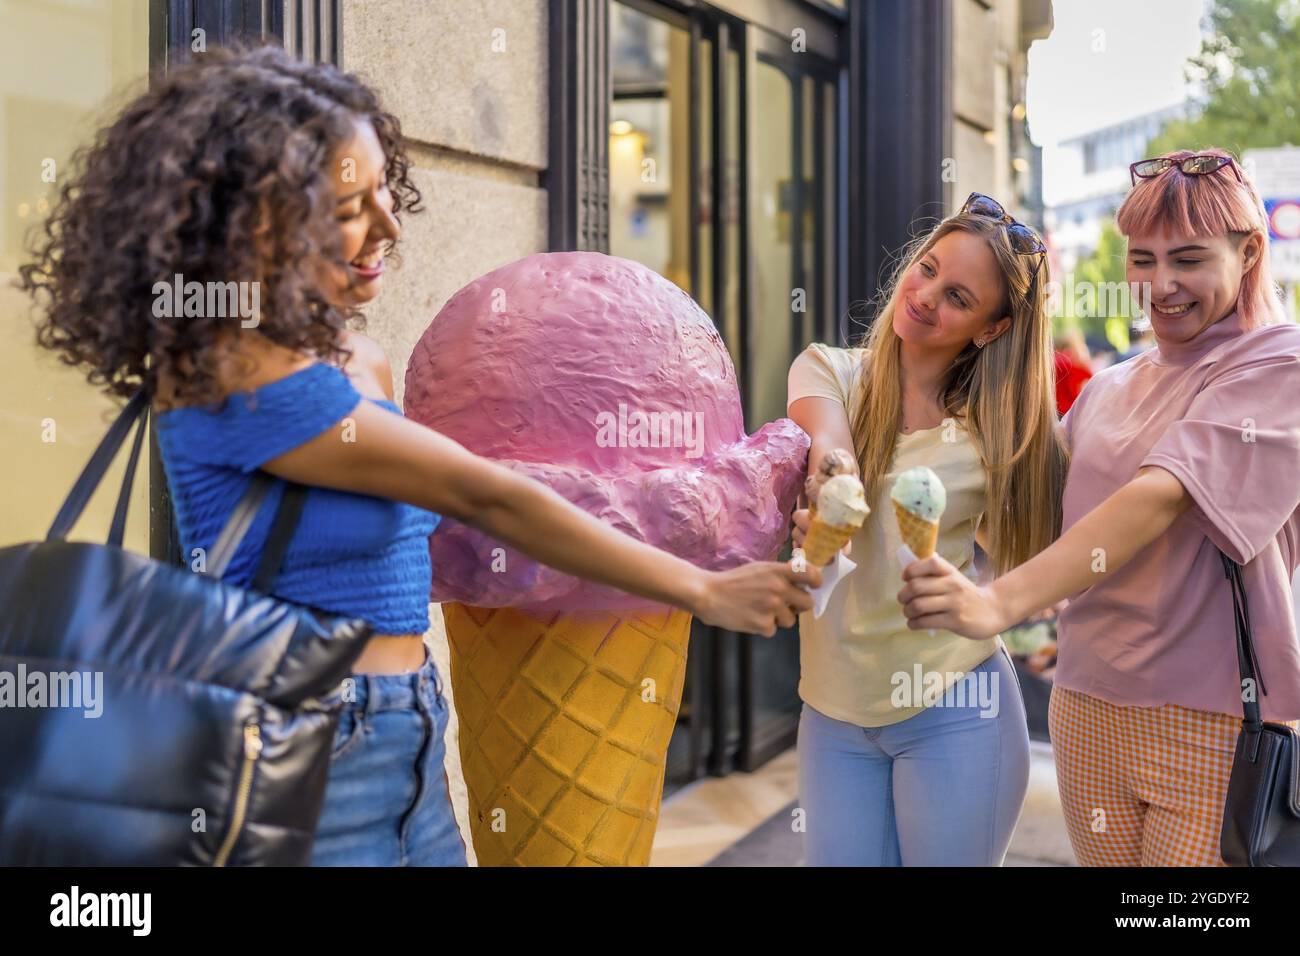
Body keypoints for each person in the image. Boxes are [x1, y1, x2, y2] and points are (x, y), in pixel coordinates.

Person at [19, 45, 820, 867]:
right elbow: (488, 498)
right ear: (258, 220)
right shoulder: (235, 373)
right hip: (310, 740)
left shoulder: (358, 360)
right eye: (349, 204)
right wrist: (703, 586)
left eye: (383, 192)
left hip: (409, 726)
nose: (389, 226)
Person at [899, 148, 1300, 866]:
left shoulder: (1277, 364)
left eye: (1187, 258)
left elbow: (1159, 497)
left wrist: (998, 605)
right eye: (1142, 260)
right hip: (1086, 709)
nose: (1160, 284)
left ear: (1247, 252)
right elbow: (1032, 531)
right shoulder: (1109, 389)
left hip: (1209, 726)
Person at [787, 193, 1067, 865]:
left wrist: (986, 592)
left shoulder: (992, 435)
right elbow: (830, 442)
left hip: (956, 706)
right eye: (928, 267)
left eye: (959, 296)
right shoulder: (829, 368)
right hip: (833, 708)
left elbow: (1035, 567)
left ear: (992, 329)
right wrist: (833, 485)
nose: (925, 294)